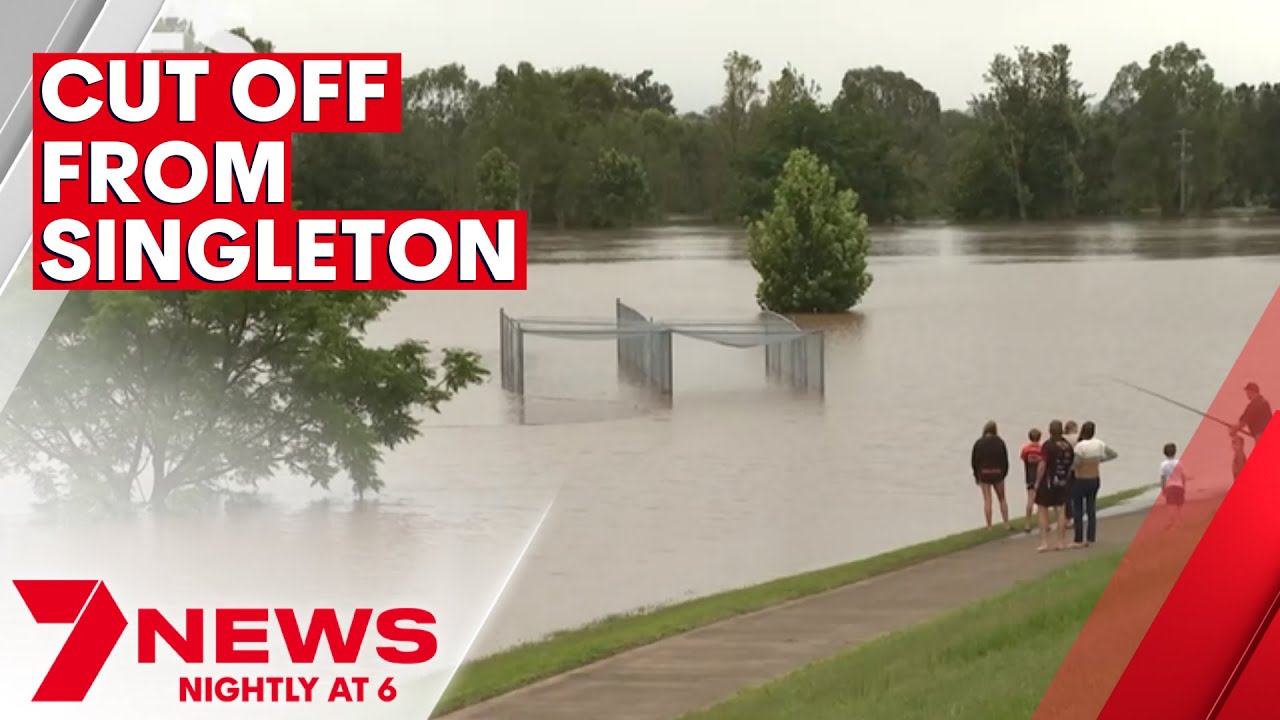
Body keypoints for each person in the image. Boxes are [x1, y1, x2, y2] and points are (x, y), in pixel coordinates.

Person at [1071, 421, 1118, 548]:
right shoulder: (1099, 443)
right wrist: (1099, 460)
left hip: (1081, 479)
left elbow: (1077, 463)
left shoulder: (1080, 446)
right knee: (1091, 508)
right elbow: (1113, 454)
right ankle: (1091, 537)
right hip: (1094, 479)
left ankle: (1078, 538)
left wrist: (1070, 469)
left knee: (1078, 509)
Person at [1035, 420, 1074, 552]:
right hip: (1062, 482)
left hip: (1047, 482)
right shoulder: (1067, 445)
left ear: (1050, 431)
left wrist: (1037, 481)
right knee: (1061, 511)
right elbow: (1071, 464)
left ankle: (1044, 542)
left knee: (1042, 510)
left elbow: (1042, 464)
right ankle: (1061, 542)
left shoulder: (1048, 445)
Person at [971, 420, 1011, 530]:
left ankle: (989, 525)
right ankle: (1006, 523)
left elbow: (974, 461)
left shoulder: (979, 443)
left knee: (987, 500)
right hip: (998, 473)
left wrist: (976, 475)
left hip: (984, 473)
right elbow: (1005, 459)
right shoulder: (1000, 442)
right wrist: (1003, 473)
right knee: (1002, 498)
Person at [1019, 428, 1043, 533]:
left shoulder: (1025, 449)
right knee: (1041, 502)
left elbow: (1023, 458)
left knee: (1030, 500)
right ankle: (1043, 523)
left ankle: (1027, 523)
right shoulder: (1042, 449)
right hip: (1041, 478)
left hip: (1029, 477)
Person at [1160, 442, 1188, 529]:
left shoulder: (1164, 464)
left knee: (1171, 505)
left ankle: (1173, 522)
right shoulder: (1179, 463)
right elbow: (1183, 476)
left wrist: (1163, 488)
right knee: (1179, 505)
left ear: (1164, 453)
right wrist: (1184, 486)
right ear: (1175, 452)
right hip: (1179, 486)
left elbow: (1163, 478)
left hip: (1170, 487)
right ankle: (1181, 521)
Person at [1062, 420, 1080, 529]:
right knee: (1076, 494)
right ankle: (1076, 516)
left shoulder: (1062, 439)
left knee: (1067, 494)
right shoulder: (1078, 439)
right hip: (1077, 468)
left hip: (1065, 469)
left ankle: (1067, 517)